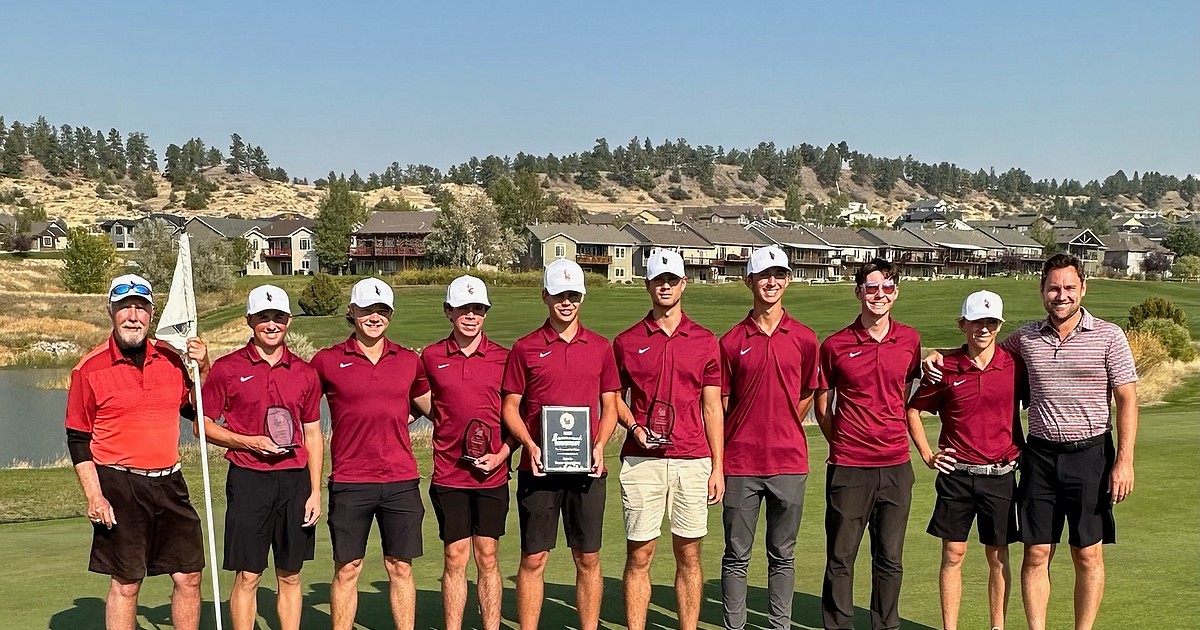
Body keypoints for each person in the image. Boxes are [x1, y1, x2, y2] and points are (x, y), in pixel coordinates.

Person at [924, 254, 1138, 630]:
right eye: (1054, 287)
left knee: (1087, 554)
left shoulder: (1109, 336)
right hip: (1039, 458)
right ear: (1042, 291)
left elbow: (1127, 399)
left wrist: (1124, 461)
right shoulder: (1025, 338)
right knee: (1036, 552)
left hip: (1091, 456)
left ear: (1083, 288)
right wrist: (937, 355)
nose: (1062, 295)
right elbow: (981, 349)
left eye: (1069, 287)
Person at [65, 274, 209, 630]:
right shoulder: (89, 368)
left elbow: (197, 408)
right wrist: (95, 496)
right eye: (125, 307)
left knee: (189, 576)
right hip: (119, 484)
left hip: (170, 481)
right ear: (111, 312)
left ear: (151, 313)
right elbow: (78, 439)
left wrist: (203, 366)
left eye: (141, 308)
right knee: (127, 583)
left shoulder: (172, 359)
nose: (133, 316)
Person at [501, 257, 621, 630]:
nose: (566, 302)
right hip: (538, 468)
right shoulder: (525, 348)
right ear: (545, 297)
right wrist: (530, 445)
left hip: (587, 467)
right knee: (534, 559)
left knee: (587, 558)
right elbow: (510, 408)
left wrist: (600, 444)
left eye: (573, 295)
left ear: (582, 297)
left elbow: (611, 407)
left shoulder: (601, 347)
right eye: (559, 295)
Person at [309, 278, 432, 630]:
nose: (374, 317)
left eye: (381, 310)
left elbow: (430, 406)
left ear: (390, 315)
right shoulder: (327, 360)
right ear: (352, 312)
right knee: (348, 568)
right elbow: (300, 406)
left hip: (401, 480)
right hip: (350, 480)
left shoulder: (409, 360)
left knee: (401, 566)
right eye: (366, 310)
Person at [198, 285, 323, 630]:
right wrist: (247, 442)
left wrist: (315, 491)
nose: (272, 324)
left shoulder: (305, 372)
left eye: (279, 318)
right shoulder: (226, 368)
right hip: (248, 479)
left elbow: (312, 432)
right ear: (249, 321)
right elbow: (202, 426)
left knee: (291, 574)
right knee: (249, 574)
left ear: (289, 321)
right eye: (264, 317)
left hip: (294, 481)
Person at [612, 250, 725, 630]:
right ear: (647, 284)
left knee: (689, 554)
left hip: (693, 460)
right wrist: (634, 427)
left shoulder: (706, 341)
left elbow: (712, 408)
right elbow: (613, 398)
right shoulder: (626, 341)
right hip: (642, 460)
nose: (665, 285)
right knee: (640, 554)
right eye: (658, 279)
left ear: (683, 283)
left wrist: (718, 468)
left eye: (672, 279)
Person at [815, 258, 922, 630]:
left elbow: (906, 393)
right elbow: (823, 406)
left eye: (887, 287)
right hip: (849, 467)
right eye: (872, 287)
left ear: (896, 293)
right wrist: (844, 442)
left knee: (890, 558)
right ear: (858, 291)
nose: (879, 294)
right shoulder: (835, 345)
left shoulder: (910, 340)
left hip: (896, 466)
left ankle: (885, 625)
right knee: (841, 558)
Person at [906, 290, 1023, 630]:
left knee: (998, 556)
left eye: (990, 322)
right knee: (953, 554)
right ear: (963, 325)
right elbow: (913, 410)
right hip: (957, 476)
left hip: (1000, 474)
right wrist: (928, 454)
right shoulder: (945, 367)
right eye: (975, 322)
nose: (983, 329)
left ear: (999, 326)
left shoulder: (1014, 365)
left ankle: (997, 627)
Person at [718, 245, 820, 630]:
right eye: (764, 275)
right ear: (749, 281)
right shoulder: (730, 341)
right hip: (741, 463)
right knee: (736, 555)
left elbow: (808, 390)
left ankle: (779, 625)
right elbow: (722, 402)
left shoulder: (805, 338)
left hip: (789, 463)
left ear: (788, 280)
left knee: (782, 555)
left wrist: (784, 424)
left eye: (779, 275)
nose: (771, 282)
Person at [421, 276, 512, 630]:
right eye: (463, 309)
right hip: (449, 474)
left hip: (493, 473)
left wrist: (502, 454)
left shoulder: (504, 358)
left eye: (478, 309)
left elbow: (517, 416)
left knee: (487, 555)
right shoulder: (430, 356)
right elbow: (419, 400)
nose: (471, 316)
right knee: (454, 556)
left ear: (485, 313)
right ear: (448, 311)